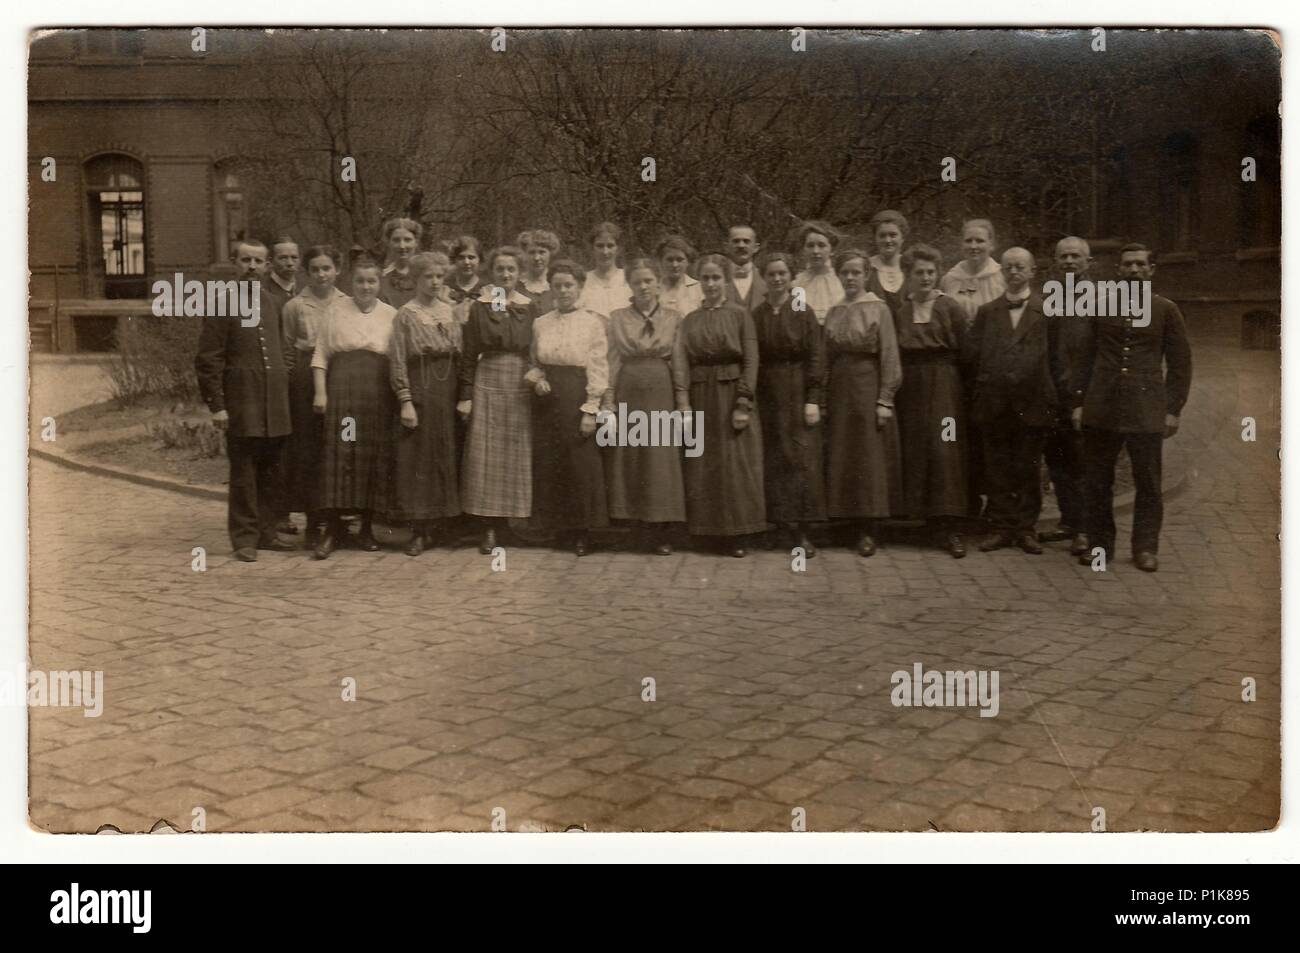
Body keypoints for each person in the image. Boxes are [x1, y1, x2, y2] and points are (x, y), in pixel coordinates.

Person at [1071, 243, 1193, 572]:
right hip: (1102, 407)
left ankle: (1145, 547)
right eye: (1128, 265)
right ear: (1119, 270)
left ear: (1151, 270)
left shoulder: (1166, 310)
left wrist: (1172, 409)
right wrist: (1080, 402)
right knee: (1097, 480)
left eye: (1141, 264)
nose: (1134, 270)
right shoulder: (1099, 307)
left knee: (1149, 483)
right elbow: (1084, 359)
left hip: (1146, 409)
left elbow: (1180, 364)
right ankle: (1100, 546)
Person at [194, 239, 294, 561]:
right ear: (234, 264)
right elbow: (209, 359)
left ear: (267, 266)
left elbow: (282, 350)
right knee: (244, 474)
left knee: (272, 472)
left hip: (274, 402)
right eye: (245, 260)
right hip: (242, 401)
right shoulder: (222, 303)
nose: (252, 267)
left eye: (259, 261)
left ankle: (267, 533)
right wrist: (218, 406)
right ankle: (244, 539)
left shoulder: (273, 303)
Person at [965, 247, 1059, 555]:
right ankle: (1000, 527)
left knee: (1028, 468)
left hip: (1032, 404)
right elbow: (974, 357)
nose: (1014, 272)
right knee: (998, 467)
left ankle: (1025, 528)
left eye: (1020, 267)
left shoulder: (1047, 312)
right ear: (1002, 273)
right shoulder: (987, 312)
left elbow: (1058, 360)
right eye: (1008, 267)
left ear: (1032, 272)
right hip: (995, 404)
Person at [675, 254, 766, 556]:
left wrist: (743, 401)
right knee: (702, 462)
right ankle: (705, 532)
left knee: (733, 464)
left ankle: (736, 533)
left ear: (726, 280)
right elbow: (683, 362)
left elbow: (751, 360)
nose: (711, 284)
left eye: (716, 278)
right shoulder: (690, 320)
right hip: (701, 395)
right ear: (699, 282)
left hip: (730, 394)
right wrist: (684, 401)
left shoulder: (741, 315)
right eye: (706, 279)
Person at [311, 252, 398, 558]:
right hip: (344, 393)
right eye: (360, 280)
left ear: (379, 282)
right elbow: (320, 354)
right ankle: (333, 529)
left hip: (376, 394)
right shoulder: (336, 310)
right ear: (351, 282)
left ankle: (364, 529)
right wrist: (321, 393)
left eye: (371, 280)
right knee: (344, 451)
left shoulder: (390, 314)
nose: (365, 286)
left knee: (371, 457)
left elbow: (396, 359)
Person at [603, 258, 688, 554]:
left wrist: (682, 402)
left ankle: (660, 528)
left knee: (659, 457)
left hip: (660, 387)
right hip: (629, 386)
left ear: (658, 283)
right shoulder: (617, 318)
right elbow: (612, 361)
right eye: (637, 281)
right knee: (631, 454)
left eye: (648, 281)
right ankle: (635, 526)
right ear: (629, 284)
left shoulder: (674, 317)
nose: (643, 287)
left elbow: (678, 362)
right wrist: (608, 400)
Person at [526, 260, 610, 555]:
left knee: (580, 464)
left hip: (578, 394)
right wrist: (537, 380)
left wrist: (591, 408)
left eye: (568, 285)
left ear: (579, 287)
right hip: (548, 400)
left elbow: (599, 367)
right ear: (550, 288)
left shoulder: (593, 322)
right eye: (557, 285)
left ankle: (583, 532)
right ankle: (558, 528)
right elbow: (534, 363)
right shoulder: (541, 322)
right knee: (552, 462)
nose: (563, 291)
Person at [823, 248, 902, 556]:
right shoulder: (833, 311)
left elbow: (890, 355)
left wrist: (885, 399)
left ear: (866, 275)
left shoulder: (879, 308)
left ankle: (869, 527)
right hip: (840, 388)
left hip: (867, 385)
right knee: (844, 453)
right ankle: (846, 522)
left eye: (856, 272)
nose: (851, 277)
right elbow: (826, 358)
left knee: (868, 455)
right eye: (845, 273)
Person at [459, 246, 537, 554]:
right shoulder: (479, 307)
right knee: (486, 453)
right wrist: (466, 395)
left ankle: (510, 524)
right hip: (487, 377)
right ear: (491, 273)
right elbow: (467, 354)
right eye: (500, 269)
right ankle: (488, 527)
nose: (506, 275)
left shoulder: (529, 306)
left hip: (519, 380)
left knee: (514, 454)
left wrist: (534, 374)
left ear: (520, 274)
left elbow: (536, 347)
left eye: (512, 270)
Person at [893, 244, 969, 557]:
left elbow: (967, 352)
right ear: (908, 276)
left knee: (944, 450)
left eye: (930, 272)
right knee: (917, 449)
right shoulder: (900, 311)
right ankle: (924, 522)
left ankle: (951, 526)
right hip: (911, 387)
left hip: (945, 384)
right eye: (918, 273)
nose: (925, 278)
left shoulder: (950, 307)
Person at [752, 250, 825, 555]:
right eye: (772, 274)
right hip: (767, 392)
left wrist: (813, 398)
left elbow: (816, 355)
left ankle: (802, 531)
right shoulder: (757, 314)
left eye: (782, 273)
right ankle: (780, 527)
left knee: (799, 459)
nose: (778, 279)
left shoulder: (802, 310)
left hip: (796, 388)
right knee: (773, 458)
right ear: (764, 278)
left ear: (791, 276)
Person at [390, 252, 463, 556]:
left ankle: (443, 527)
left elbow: (462, 355)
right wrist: (405, 400)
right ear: (416, 280)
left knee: (446, 454)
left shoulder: (451, 312)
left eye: (438, 277)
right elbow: (396, 359)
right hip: (420, 388)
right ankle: (419, 530)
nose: (434, 283)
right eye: (427, 277)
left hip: (448, 390)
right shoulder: (405, 314)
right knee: (419, 458)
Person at [281, 244, 348, 549]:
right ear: (306, 272)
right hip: (307, 380)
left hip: (341, 377)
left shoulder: (347, 303)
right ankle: (312, 520)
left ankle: (338, 521)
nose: (321, 274)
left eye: (327, 268)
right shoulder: (295, 306)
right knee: (309, 450)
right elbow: (288, 349)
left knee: (339, 448)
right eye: (315, 269)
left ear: (337, 270)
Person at [1038, 236, 1092, 555]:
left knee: (1083, 464)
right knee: (1058, 462)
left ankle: (1085, 528)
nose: (1069, 262)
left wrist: (1084, 400)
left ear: (1088, 262)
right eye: (1063, 257)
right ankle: (1069, 522)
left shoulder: (1100, 298)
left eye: (1075, 256)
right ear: (1055, 261)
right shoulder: (1048, 296)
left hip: (1081, 396)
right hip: (1052, 393)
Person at [939, 218, 1006, 325]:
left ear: (991, 244)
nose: (973, 246)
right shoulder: (949, 279)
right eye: (968, 241)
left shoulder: (1003, 277)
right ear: (961, 244)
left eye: (980, 241)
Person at [791, 220, 845, 326]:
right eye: (810, 246)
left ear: (832, 250)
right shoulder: (797, 284)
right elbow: (796, 319)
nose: (815, 251)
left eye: (821, 245)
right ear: (803, 250)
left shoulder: (841, 280)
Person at [579, 221, 631, 321]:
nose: (605, 252)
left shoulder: (628, 278)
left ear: (618, 248)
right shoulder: (583, 280)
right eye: (600, 246)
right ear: (591, 248)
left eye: (610, 246)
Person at [866, 210, 908, 316]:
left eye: (893, 235)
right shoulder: (866, 268)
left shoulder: (911, 267)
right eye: (882, 235)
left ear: (902, 238)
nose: (888, 240)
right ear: (875, 238)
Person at [379, 217, 422, 309]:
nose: (402, 246)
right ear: (389, 243)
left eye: (407, 240)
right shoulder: (381, 278)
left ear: (416, 242)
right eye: (396, 240)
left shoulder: (427, 275)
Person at [657, 234, 703, 316]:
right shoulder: (654, 289)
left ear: (687, 261)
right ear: (661, 261)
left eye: (679, 259)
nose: (675, 265)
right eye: (669, 260)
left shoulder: (699, 289)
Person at [725, 224, 767, 313]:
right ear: (726, 247)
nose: (741, 245)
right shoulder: (716, 279)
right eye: (736, 241)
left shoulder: (766, 279)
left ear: (756, 248)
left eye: (746, 241)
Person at [517, 229, 560, 314]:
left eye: (542, 252)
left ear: (550, 253)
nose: (537, 258)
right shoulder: (515, 285)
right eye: (532, 252)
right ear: (524, 254)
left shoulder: (558, 284)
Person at [447, 235, 485, 306]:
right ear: (454, 260)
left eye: (471, 257)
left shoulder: (489, 289)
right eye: (461, 258)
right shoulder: (446, 288)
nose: (466, 262)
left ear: (480, 260)